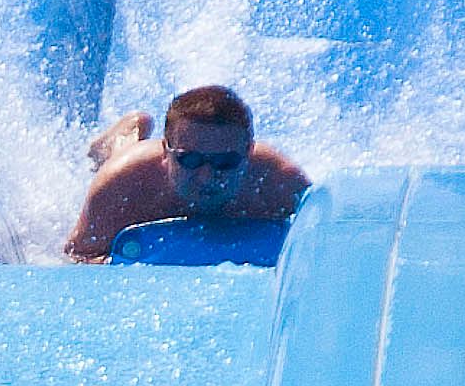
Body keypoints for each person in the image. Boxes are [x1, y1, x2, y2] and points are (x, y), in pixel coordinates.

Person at [66, 84, 315, 260]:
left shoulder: (280, 182)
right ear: (165, 151)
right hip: (134, 163)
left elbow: (325, 249)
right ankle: (127, 131)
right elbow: (79, 255)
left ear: (248, 153)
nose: (207, 177)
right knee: (124, 155)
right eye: (190, 160)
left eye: (225, 162)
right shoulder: (123, 182)